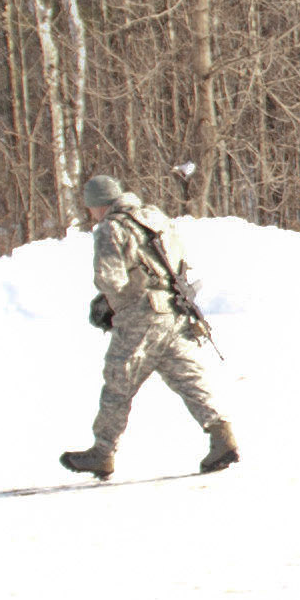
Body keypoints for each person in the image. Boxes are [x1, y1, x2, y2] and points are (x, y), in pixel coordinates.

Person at [61, 171, 239, 481]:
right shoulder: (155, 217)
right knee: (187, 377)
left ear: (99, 205)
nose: (91, 215)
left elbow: (110, 279)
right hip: (173, 311)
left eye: (91, 209)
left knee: (118, 380)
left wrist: (107, 304)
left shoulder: (110, 229)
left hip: (140, 317)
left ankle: (102, 452)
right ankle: (222, 436)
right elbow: (180, 259)